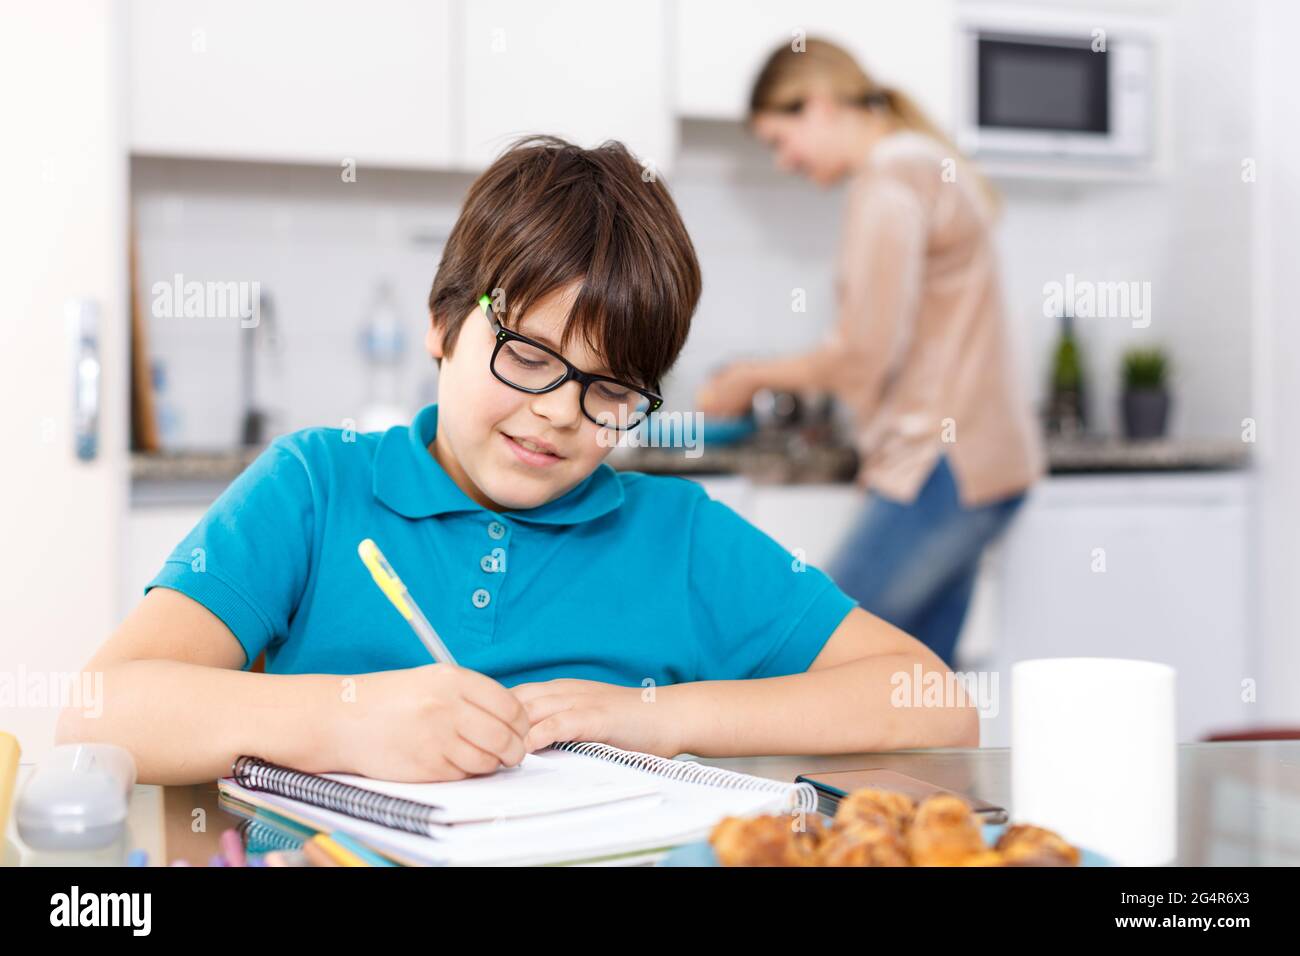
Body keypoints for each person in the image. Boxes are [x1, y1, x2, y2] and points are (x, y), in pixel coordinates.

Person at [59, 135, 975, 785]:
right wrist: (345, 718)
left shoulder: (678, 536)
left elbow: (936, 705)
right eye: (528, 356)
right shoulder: (315, 488)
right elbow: (100, 715)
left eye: (610, 389)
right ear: (442, 321)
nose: (557, 415)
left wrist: (652, 719)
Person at [697, 39, 1043, 667]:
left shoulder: (889, 179)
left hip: (941, 465)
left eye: (780, 139)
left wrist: (751, 377)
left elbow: (863, 354)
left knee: (818, 657)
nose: (783, 161)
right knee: (917, 682)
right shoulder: (927, 163)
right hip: (985, 466)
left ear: (820, 106)